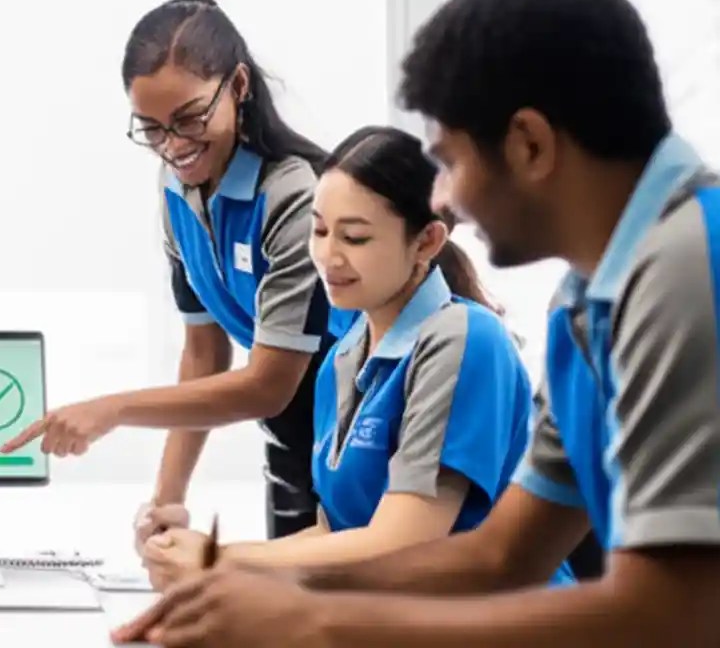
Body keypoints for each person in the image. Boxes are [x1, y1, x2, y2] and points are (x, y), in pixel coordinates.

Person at [113, 0, 720, 647]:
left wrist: (313, 618)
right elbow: (502, 557)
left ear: (529, 144)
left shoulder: (688, 267)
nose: (443, 201)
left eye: (451, 162)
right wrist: (248, 585)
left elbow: (676, 611)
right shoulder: (584, 307)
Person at [139, 126, 572, 589]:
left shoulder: (465, 340)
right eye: (320, 230)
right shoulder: (343, 357)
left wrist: (219, 559)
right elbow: (336, 534)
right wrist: (213, 566)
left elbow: (403, 541)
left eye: (355, 238)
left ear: (426, 242)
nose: (327, 256)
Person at [1, 0, 350, 542]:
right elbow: (205, 356)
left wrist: (111, 410)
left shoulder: (295, 194)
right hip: (291, 437)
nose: (175, 146)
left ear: (238, 86)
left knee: (314, 605)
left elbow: (268, 386)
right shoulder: (177, 192)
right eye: (153, 129)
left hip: (360, 436)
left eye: (190, 119)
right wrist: (167, 502)